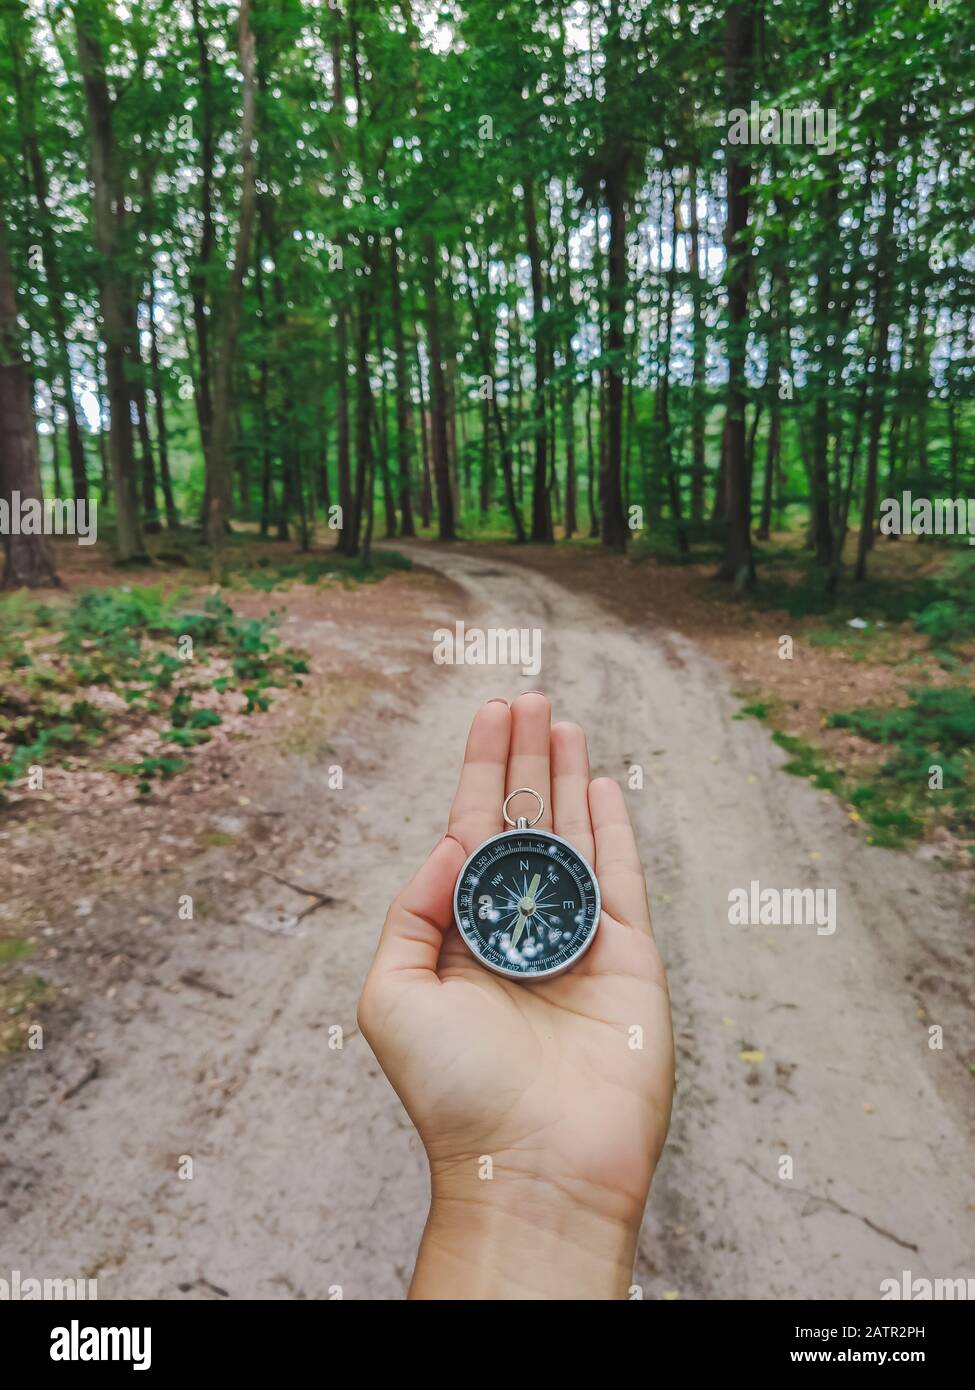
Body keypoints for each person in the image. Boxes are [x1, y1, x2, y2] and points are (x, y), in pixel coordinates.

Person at [358, 692, 675, 1299]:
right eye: (520, 899)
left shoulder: (529, 890)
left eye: (535, 898)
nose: (527, 906)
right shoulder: (520, 894)